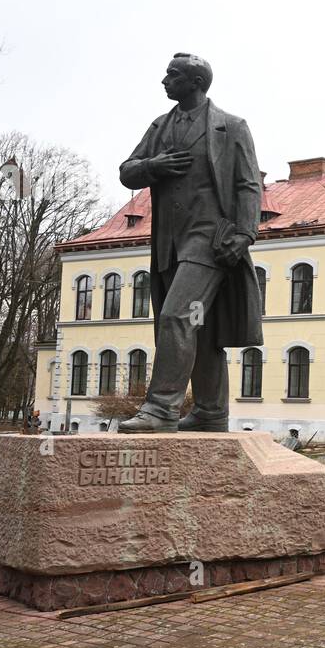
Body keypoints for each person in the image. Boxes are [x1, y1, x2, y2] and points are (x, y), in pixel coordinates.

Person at [116, 53, 263, 433]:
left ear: (195, 82)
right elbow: (128, 171)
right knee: (201, 322)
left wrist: (245, 234)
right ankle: (211, 411)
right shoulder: (160, 127)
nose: (164, 80)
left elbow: (249, 184)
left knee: (177, 316)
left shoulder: (231, 127)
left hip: (210, 241)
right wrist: (155, 166)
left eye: (173, 75)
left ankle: (162, 407)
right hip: (169, 242)